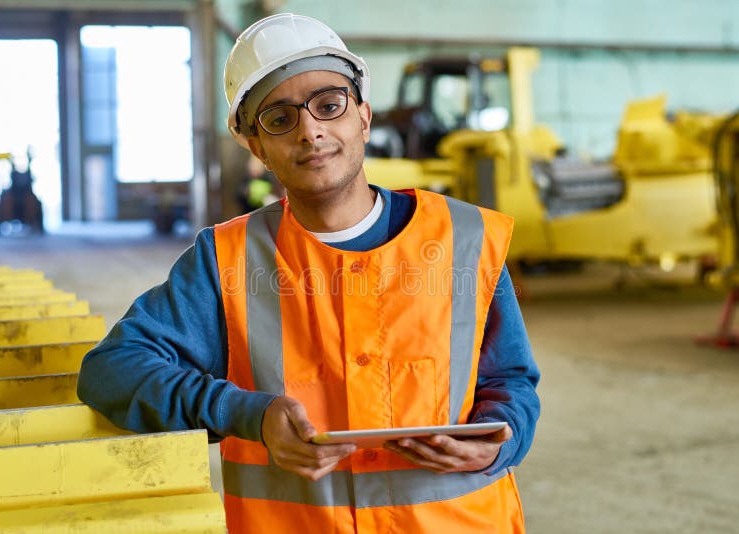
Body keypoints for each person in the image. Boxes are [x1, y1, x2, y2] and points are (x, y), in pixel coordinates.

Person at [77, 12, 540, 534]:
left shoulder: (462, 240)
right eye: (279, 118)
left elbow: (511, 384)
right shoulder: (227, 260)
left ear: (363, 116)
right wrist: (244, 412)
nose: (310, 130)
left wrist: (495, 446)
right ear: (256, 147)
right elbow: (110, 372)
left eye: (329, 105)